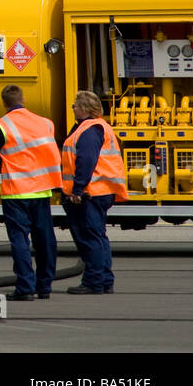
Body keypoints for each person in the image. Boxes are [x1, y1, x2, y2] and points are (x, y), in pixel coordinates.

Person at [0, 85, 60, 300]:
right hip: (41, 190)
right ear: (23, 100)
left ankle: (25, 287)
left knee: (20, 241)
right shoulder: (45, 122)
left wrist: (1, 162)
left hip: (16, 192)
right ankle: (44, 286)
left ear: (4, 103)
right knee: (45, 240)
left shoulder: (1, 125)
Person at [61, 90, 128, 294]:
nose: (73, 108)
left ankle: (94, 281)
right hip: (100, 190)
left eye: (75, 105)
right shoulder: (98, 127)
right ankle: (104, 279)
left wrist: (77, 189)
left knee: (90, 237)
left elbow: (86, 161)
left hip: (91, 192)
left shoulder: (90, 130)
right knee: (98, 236)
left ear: (83, 108)